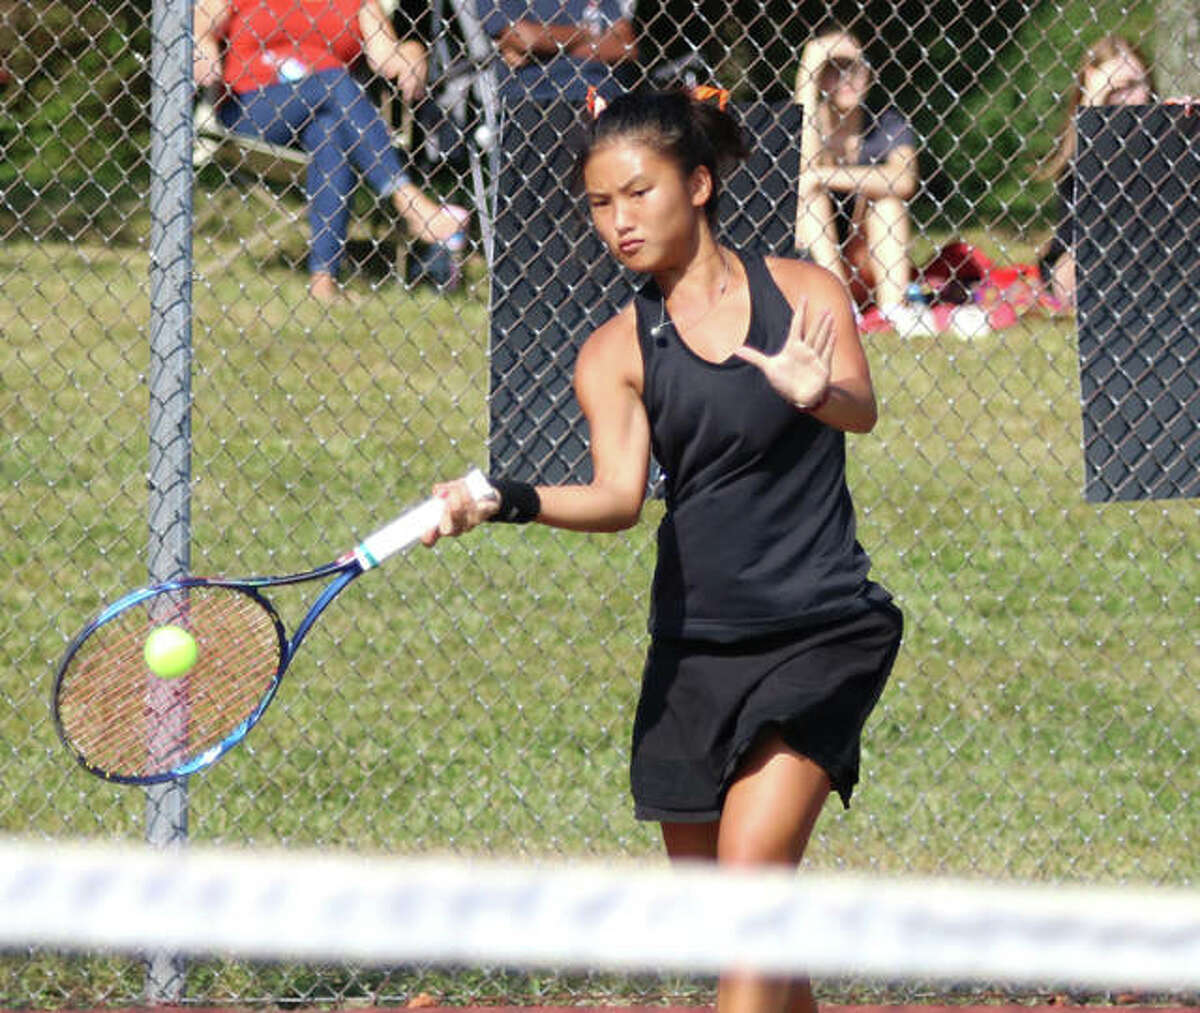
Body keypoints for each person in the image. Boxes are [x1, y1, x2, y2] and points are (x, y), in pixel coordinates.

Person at [424, 89, 903, 1013]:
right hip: (695, 647)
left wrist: (815, 390)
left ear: (699, 183)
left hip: (822, 629)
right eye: (600, 205)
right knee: (737, 930)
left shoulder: (805, 294)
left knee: (753, 879)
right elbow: (616, 496)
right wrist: (501, 498)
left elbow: (860, 407)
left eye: (638, 194)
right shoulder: (614, 351)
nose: (619, 221)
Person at [193, 0, 471, 300]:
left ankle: (323, 283)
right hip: (253, 109)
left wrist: (414, 53)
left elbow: (387, 56)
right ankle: (409, 202)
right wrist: (202, 46)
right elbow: (199, 26)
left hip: (325, 115)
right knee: (332, 81)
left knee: (330, 133)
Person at [794, 29, 919, 332]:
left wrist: (824, 176)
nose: (846, 79)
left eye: (854, 69)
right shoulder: (805, 119)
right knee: (810, 198)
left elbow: (904, 179)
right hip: (811, 259)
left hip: (865, 259)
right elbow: (799, 172)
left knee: (888, 201)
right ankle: (840, 306)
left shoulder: (885, 121)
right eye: (832, 70)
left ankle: (894, 309)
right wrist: (806, 79)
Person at [1036, 35, 1154, 307]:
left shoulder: (1165, 136)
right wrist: (1096, 108)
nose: (1127, 99)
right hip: (1088, 250)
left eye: (1134, 86)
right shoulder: (1079, 149)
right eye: (1115, 89)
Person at [476, 0, 638, 106]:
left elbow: (626, 47)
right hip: (534, 98)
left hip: (600, 95)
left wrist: (546, 46)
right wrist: (590, 34)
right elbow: (526, 39)